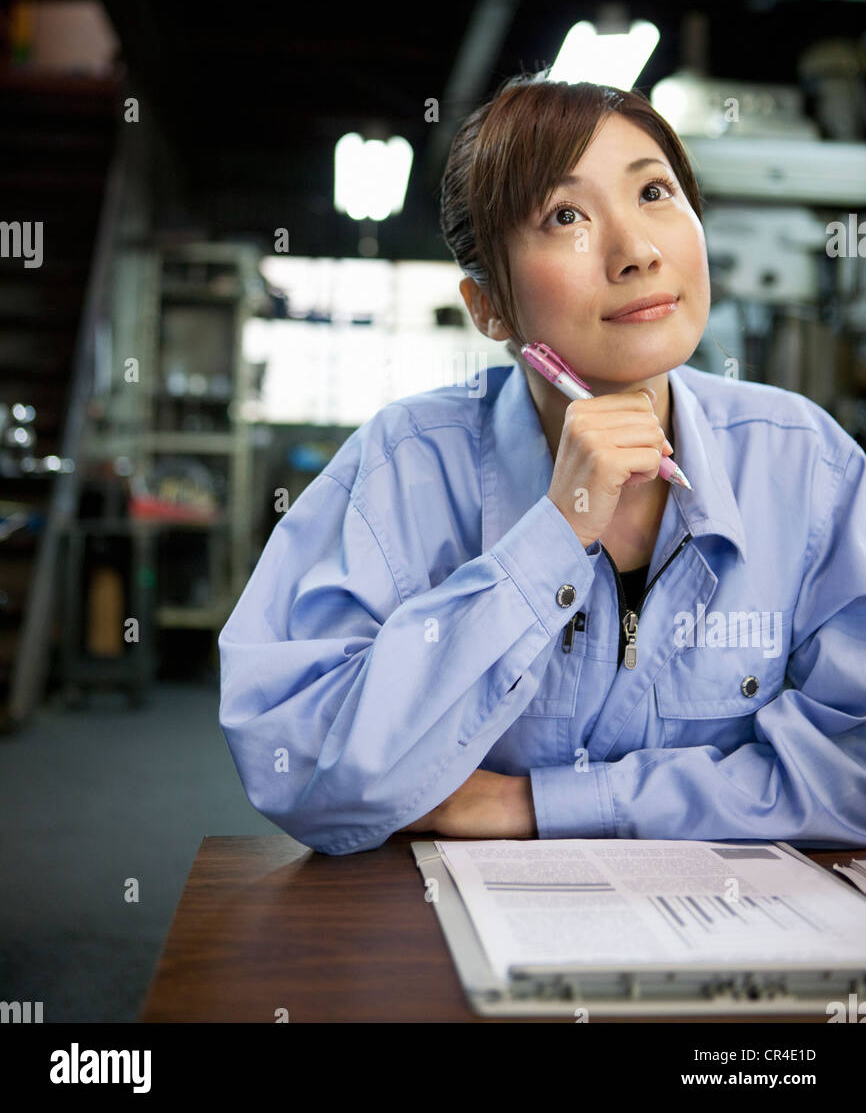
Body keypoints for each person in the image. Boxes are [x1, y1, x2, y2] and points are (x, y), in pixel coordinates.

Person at [218, 73, 866, 855]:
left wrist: (541, 803)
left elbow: (853, 770)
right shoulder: (406, 464)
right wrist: (556, 535)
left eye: (655, 193)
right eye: (566, 216)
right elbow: (301, 770)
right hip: (438, 945)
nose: (637, 252)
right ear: (487, 305)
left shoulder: (804, 464)